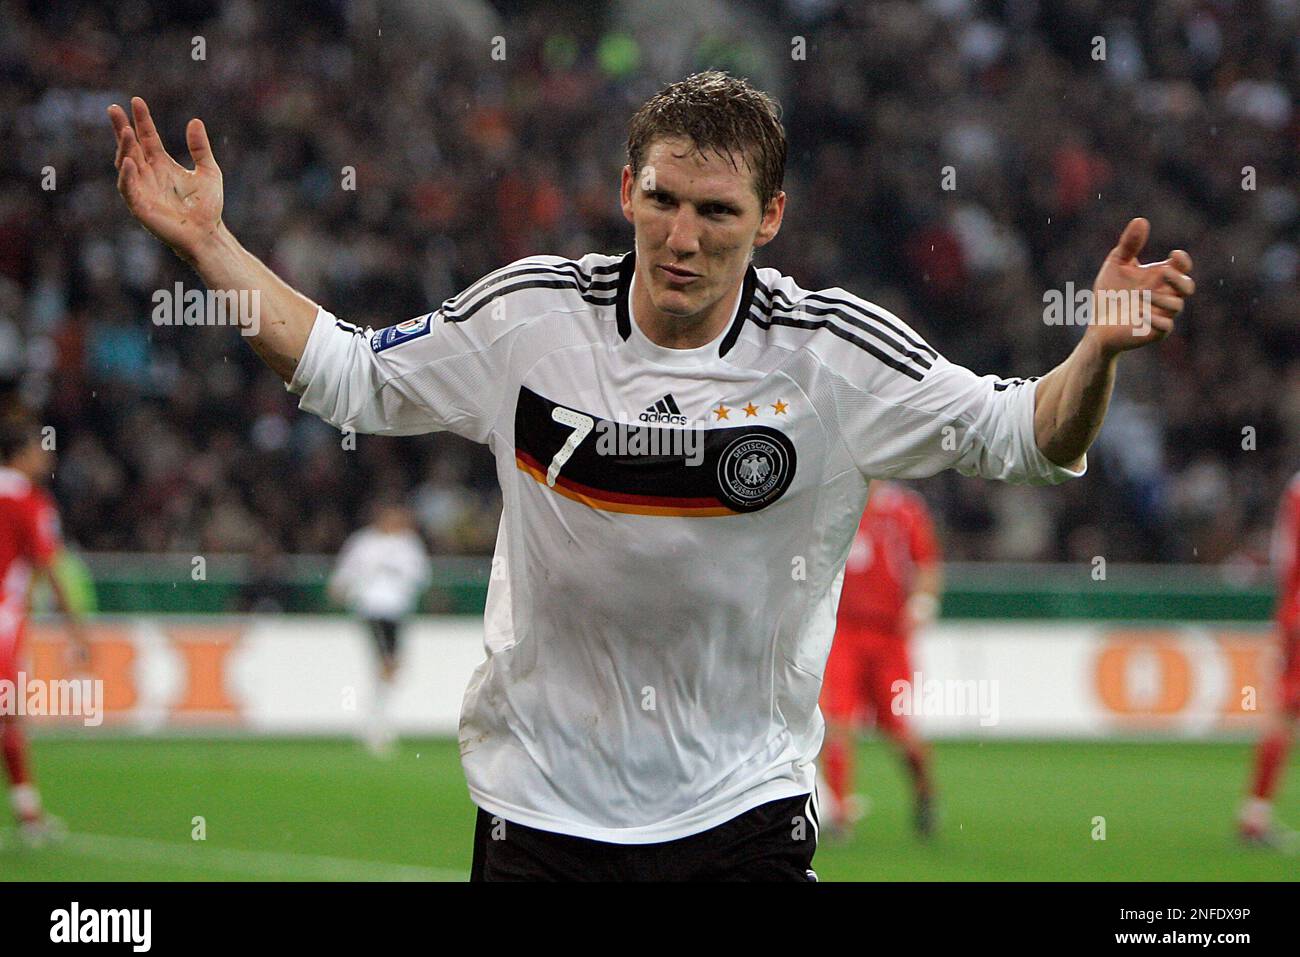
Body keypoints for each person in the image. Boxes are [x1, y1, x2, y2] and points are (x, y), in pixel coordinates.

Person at [108, 71, 1196, 881]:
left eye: (717, 212)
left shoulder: (833, 355)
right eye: (663, 200)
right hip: (536, 810)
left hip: (743, 815)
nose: (682, 236)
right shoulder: (528, 317)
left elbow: (1027, 438)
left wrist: (1091, 353)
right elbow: (347, 370)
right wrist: (212, 248)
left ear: (768, 220)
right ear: (627, 189)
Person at [819, 482, 942, 839]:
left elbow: (926, 564)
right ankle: (838, 814)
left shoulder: (903, 508)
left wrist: (922, 605)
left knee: (898, 727)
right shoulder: (832, 500)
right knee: (837, 720)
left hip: (889, 635)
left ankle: (924, 791)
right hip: (843, 631)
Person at [0, 414, 90, 847]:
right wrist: (76, 628)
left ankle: (27, 810)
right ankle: (29, 814)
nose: (46, 454)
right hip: (4, 620)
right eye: (39, 448)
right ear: (20, 453)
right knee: (9, 714)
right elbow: (47, 566)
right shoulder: (30, 502)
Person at [328, 502, 431, 757]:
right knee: (386, 664)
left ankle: (376, 722)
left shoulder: (408, 544)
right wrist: (341, 587)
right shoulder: (363, 542)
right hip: (371, 608)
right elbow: (346, 571)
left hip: (397, 610)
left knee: (390, 667)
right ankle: (376, 728)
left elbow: (421, 576)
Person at [1238, 471, 1300, 849]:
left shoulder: (1294, 487)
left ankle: (1255, 815)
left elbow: (1284, 559)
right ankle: (1255, 816)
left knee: (1285, 713)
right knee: (1284, 714)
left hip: (1292, 612)